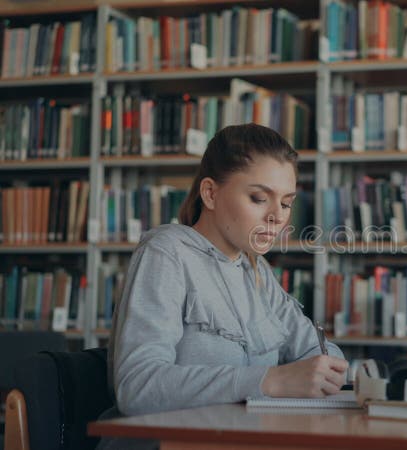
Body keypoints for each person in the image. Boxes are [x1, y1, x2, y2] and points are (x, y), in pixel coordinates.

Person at [97, 124, 347, 449]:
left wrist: (326, 371)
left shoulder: (255, 269)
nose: (276, 217)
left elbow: (319, 350)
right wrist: (270, 381)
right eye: (259, 198)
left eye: (286, 203)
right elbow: (138, 387)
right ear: (210, 193)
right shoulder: (167, 252)